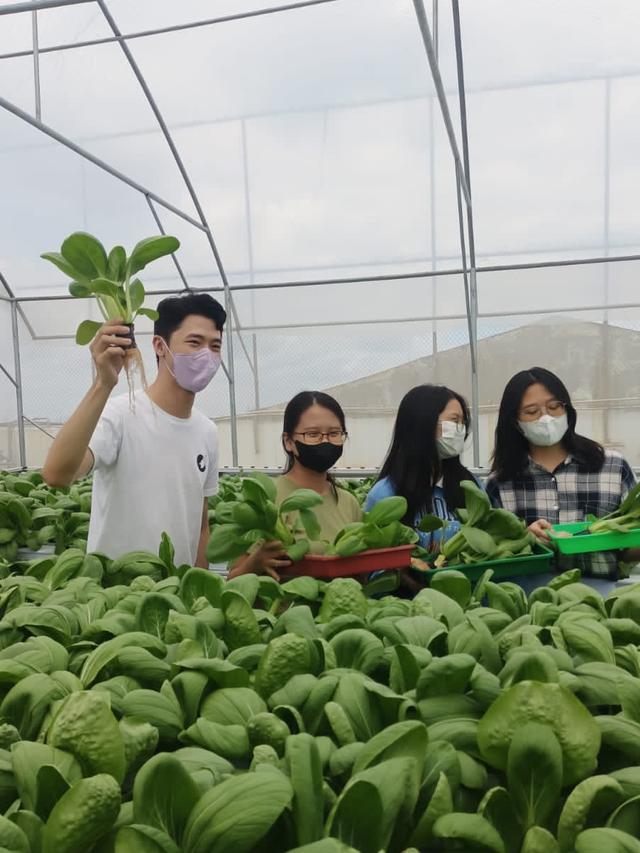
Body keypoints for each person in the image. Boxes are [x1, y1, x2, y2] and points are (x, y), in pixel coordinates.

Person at [42, 293, 225, 568]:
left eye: (215, 346)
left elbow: (200, 526)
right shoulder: (121, 414)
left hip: (175, 599)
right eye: (194, 343)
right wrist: (103, 384)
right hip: (118, 597)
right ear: (160, 346)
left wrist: (198, 591)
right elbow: (57, 474)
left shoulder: (206, 432)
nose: (206, 355)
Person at [485, 366, 638, 587]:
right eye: (531, 412)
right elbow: (493, 554)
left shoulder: (612, 466)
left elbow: (629, 548)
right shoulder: (499, 483)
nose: (545, 418)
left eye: (554, 406)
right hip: (532, 599)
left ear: (567, 410)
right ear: (515, 423)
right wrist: (525, 541)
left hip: (598, 595)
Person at [229, 391, 361, 578]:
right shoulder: (266, 499)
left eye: (334, 433)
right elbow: (233, 579)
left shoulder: (349, 503)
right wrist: (254, 564)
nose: (325, 441)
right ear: (288, 441)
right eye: (313, 434)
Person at [365, 385, 474, 554]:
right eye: (454, 421)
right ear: (424, 423)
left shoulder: (470, 485)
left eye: (463, 422)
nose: (461, 429)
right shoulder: (385, 494)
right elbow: (375, 561)